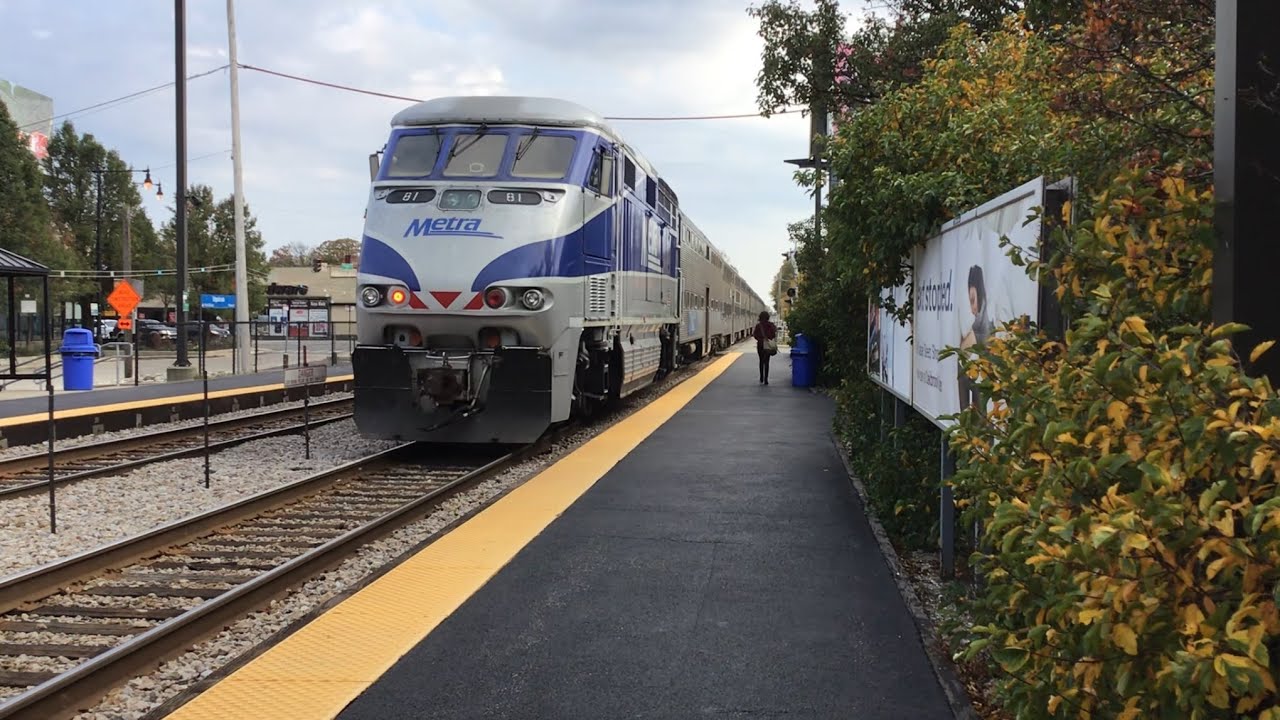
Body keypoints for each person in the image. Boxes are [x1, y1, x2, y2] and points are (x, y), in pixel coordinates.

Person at [957, 265, 991, 410]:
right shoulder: (973, 323)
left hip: (979, 373)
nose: (972, 308)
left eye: (973, 300)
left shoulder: (983, 325)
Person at [753, 310, 778, 385]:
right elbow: (774, 334)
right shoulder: (771, 325)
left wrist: (760, 339)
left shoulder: (758, 325)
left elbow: (755, 335)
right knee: (767, 362)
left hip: (760, 345)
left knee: (761, 361)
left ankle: (761, 377)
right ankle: (766, 379)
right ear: (768, 317)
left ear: (760, 317)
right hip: (768, 345)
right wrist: (769, 338)